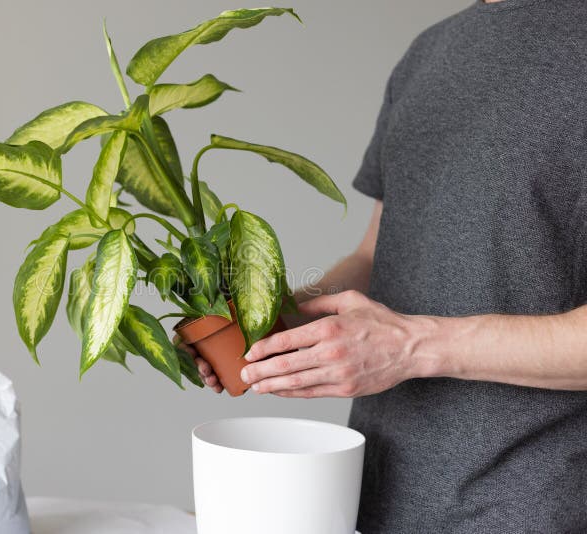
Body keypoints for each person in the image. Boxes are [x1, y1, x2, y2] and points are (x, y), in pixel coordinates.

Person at [179, 0, 587, 531]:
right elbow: (376, 254)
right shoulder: (428, 53)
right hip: (379, 494)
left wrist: (411, 346)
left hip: (533, 506)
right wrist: (276, 317)